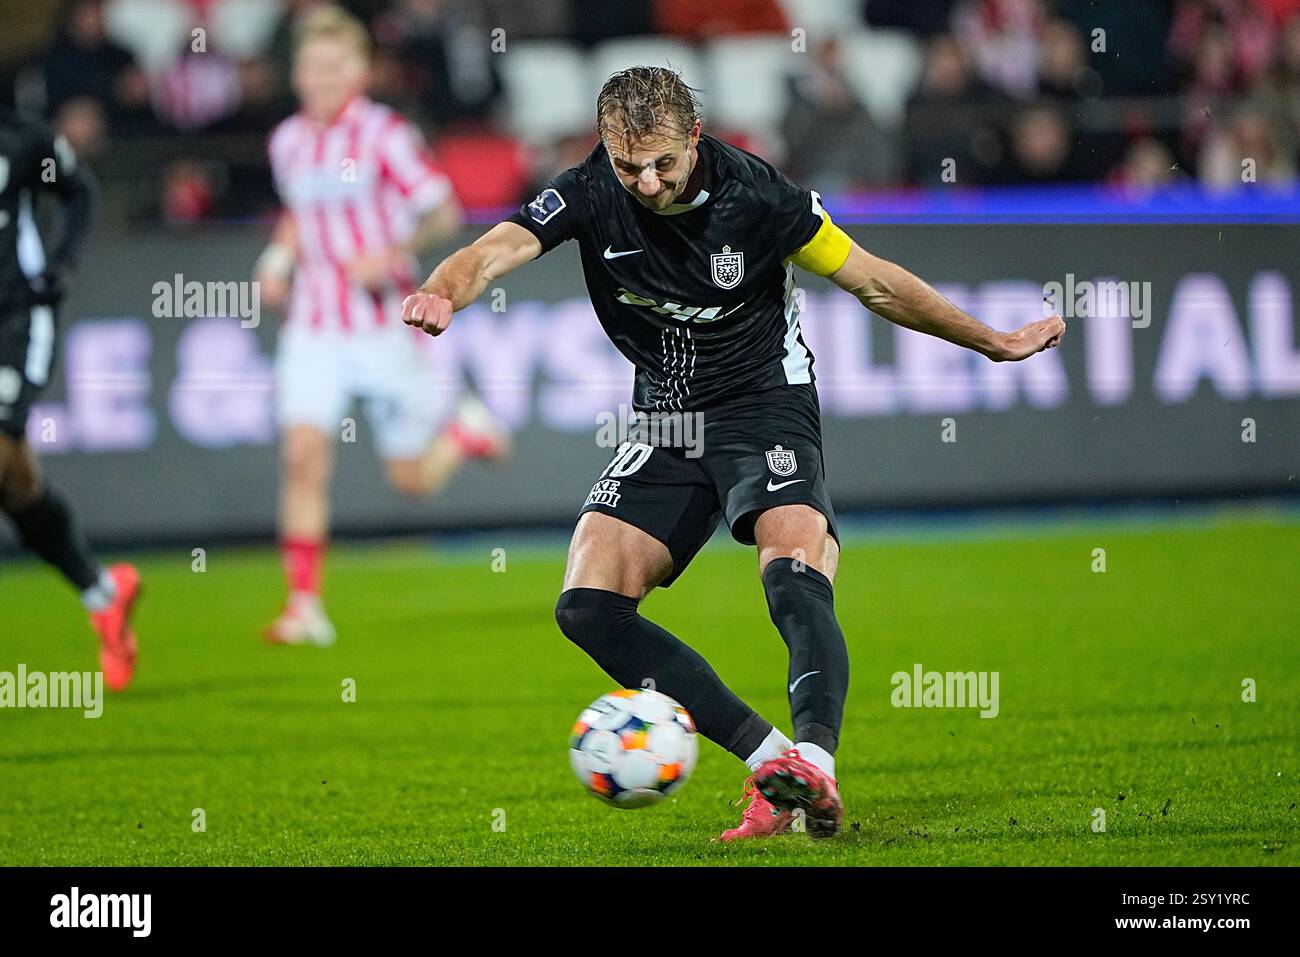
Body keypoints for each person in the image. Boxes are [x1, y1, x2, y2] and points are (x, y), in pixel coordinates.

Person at [401, 66, 1064, 840]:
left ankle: (818, 759)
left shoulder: (758, 197)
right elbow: (488, 252)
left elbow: (875, 282)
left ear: (695, 139)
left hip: (763, 403)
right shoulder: (586, 191)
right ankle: (773, 761)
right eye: (628, 166)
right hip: (667, 422)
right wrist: (444, 289)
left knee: (792, 564)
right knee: (587, 606)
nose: (646, 183)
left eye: (662, 164)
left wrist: (990, 341)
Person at [255, 5, 508, 646]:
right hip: (313, 325)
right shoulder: (286, 140)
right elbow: (295, 214)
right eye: (313, 66)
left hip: (380, 325)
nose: (323, 78)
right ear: (298, 73)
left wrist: (391, 255)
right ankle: (304, 606)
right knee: (303, 455)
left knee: (411, 481)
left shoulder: (383, 134)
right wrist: (278, 260)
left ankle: (463, 432)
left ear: (360, 71)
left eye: (336, 66)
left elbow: (442, 210)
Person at [0, 109, 142, 691]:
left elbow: (80, 190)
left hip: (15, 319)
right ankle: (102, 593)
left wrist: (61, 264)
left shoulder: (21, 140)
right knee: (12, 481)